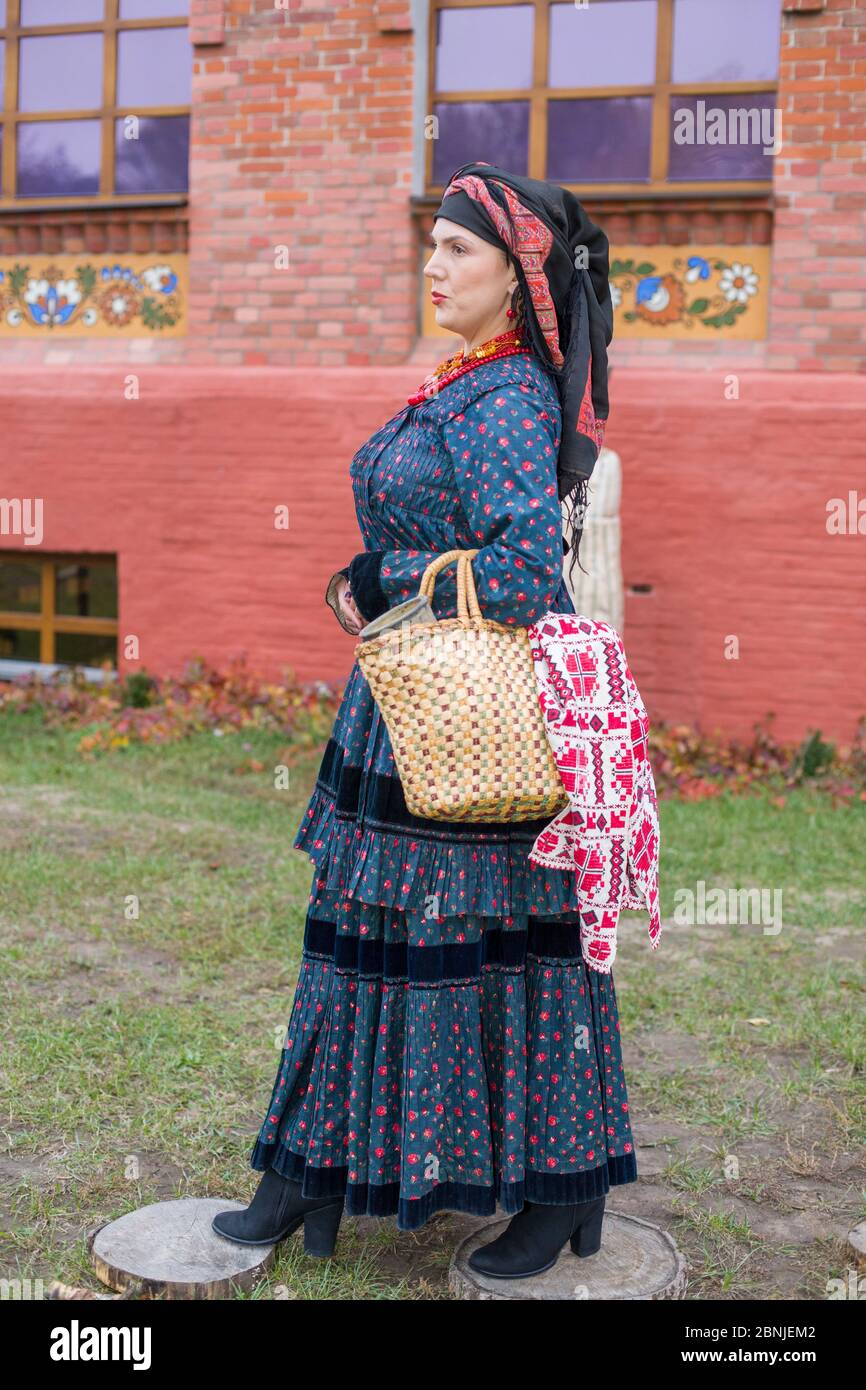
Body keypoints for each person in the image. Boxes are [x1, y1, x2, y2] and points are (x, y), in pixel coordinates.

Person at [213, 162, 635, 1281]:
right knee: (362, 947)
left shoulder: (504, 400)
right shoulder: (466, 382)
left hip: (470, 724)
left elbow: (522, 572)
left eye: (456, 249)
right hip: (404, 710)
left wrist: (379, 569)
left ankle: (559, 1196)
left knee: (505, 959)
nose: (431, 265)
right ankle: (307, 1167)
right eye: (431, 245)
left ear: (519, 277)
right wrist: (381, 580)